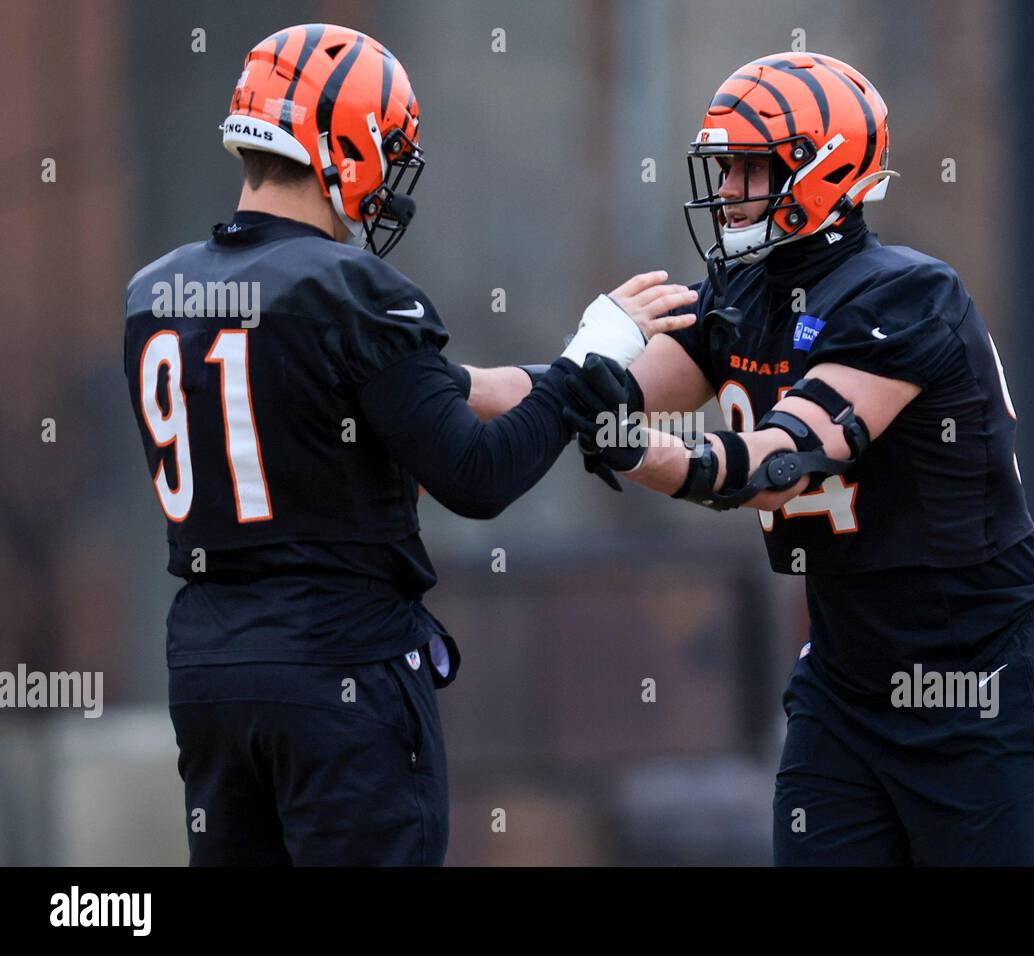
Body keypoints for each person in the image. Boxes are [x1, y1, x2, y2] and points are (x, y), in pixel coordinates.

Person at [122, 23, 694, 866]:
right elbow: (474, 476)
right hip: (339, 665)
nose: (389, 179)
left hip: (211, 668)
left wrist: (554, 376)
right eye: (384, 150)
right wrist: (583, 367)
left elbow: (373, 408)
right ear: (342, 143)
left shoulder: (157, 288)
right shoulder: (352, 288)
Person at [559, 52, 1034, 865]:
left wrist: (632, 448)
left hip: (978, 676)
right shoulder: (743, 295)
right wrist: (447, 385)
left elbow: (778, 467)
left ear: (819, 173)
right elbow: (601, 395)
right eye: (725, 167)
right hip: (847, 673)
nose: (728, 188)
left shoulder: (904, 294)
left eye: (750, 168)